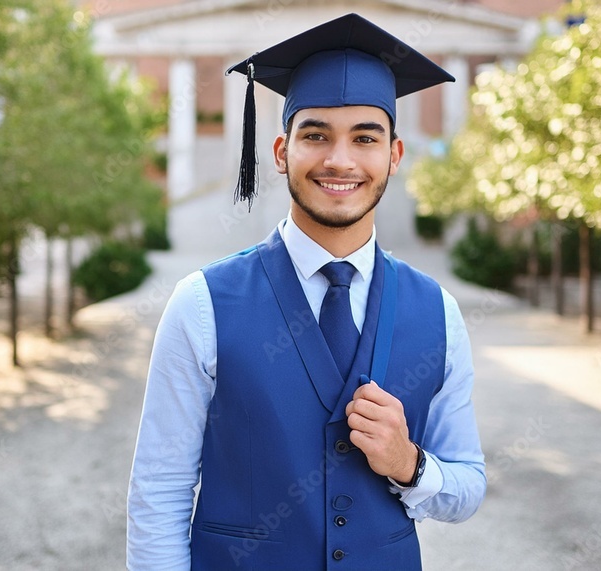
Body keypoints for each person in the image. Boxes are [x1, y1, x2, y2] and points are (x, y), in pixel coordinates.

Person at [127, 13, 486, 571]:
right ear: (281, 152)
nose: (339, 160)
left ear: (394, 155)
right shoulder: (202, 304)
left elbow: (467, 485)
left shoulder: (438, 313)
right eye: (315, 135)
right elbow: (159, 491)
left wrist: (409, 462)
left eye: (365, 138)